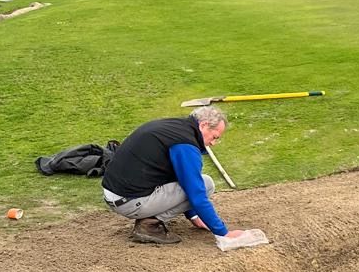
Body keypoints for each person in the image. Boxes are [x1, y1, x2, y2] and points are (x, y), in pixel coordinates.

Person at [101, 105, 250, 247]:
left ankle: (149, 219)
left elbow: (179, 177)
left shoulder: (175, 128)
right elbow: (196, 194)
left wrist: (194, 216)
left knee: (196, 183)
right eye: (215, 136)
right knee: (206, 184)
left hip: (116, 194)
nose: (214, 143)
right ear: (204, 125)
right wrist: (223, 233)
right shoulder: (185, 144)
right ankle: (149, 225)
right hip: (129, 202)